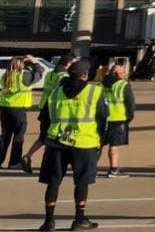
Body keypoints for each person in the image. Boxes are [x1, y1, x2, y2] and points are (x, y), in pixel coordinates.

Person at [36, 61, 106, 231]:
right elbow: (102, 119)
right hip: (84, 142)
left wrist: (45, 138)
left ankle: (49, 221)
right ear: (85, 75)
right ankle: (79, 219)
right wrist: (100, 141)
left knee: (53, 181)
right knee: (82, 182)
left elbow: (44, 118)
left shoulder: (55, 93)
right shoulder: (94, 92)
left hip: (56, 142)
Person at [20, 55, 78, 174]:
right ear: (69, 63)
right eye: (74, 63)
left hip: (44, 108)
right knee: (58, 137)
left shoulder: (51, 74)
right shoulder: (64, 76)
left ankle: (28, 155)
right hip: (55, 110)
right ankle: (52, 163)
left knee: (43, 137)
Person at [3, 54, 50, 172]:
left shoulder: (6, 75)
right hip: (18, 108)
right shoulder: (24, 75)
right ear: (20, 65)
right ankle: (13, 162)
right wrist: (34, 62)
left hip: (4, 107)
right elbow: (40, 72)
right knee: (18, 136)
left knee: (5, 136)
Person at [96, 63, 134, 178]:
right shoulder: (123, 85)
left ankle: (91, 168)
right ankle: (113, 169)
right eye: (123, 72)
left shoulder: (100, 85)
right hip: (117, 119)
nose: (125, 74)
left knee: (98, 145)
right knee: (114, 145)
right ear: (118, 73)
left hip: (102, 118)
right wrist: (129, 117)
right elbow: (130, 103)